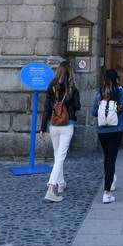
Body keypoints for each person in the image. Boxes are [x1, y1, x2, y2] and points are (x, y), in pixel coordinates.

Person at [93, 68, 123, 203]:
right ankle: (107, 193)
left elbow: (94, 112)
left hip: (101, 131)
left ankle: (111, 181)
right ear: (117, 80)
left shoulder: (100, 93)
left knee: (107, 158)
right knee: (111, 160)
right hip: (115, 130)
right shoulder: (121, 92)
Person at [38, 61, 81, 203]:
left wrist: (42, 127)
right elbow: (77, 106)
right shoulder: (72, 88)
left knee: (57, 155)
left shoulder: (51, 86)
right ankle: (51, 188)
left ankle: (61, 184)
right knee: (60, 156)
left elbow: (46, 108)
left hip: (54, 125)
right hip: (67, 125)